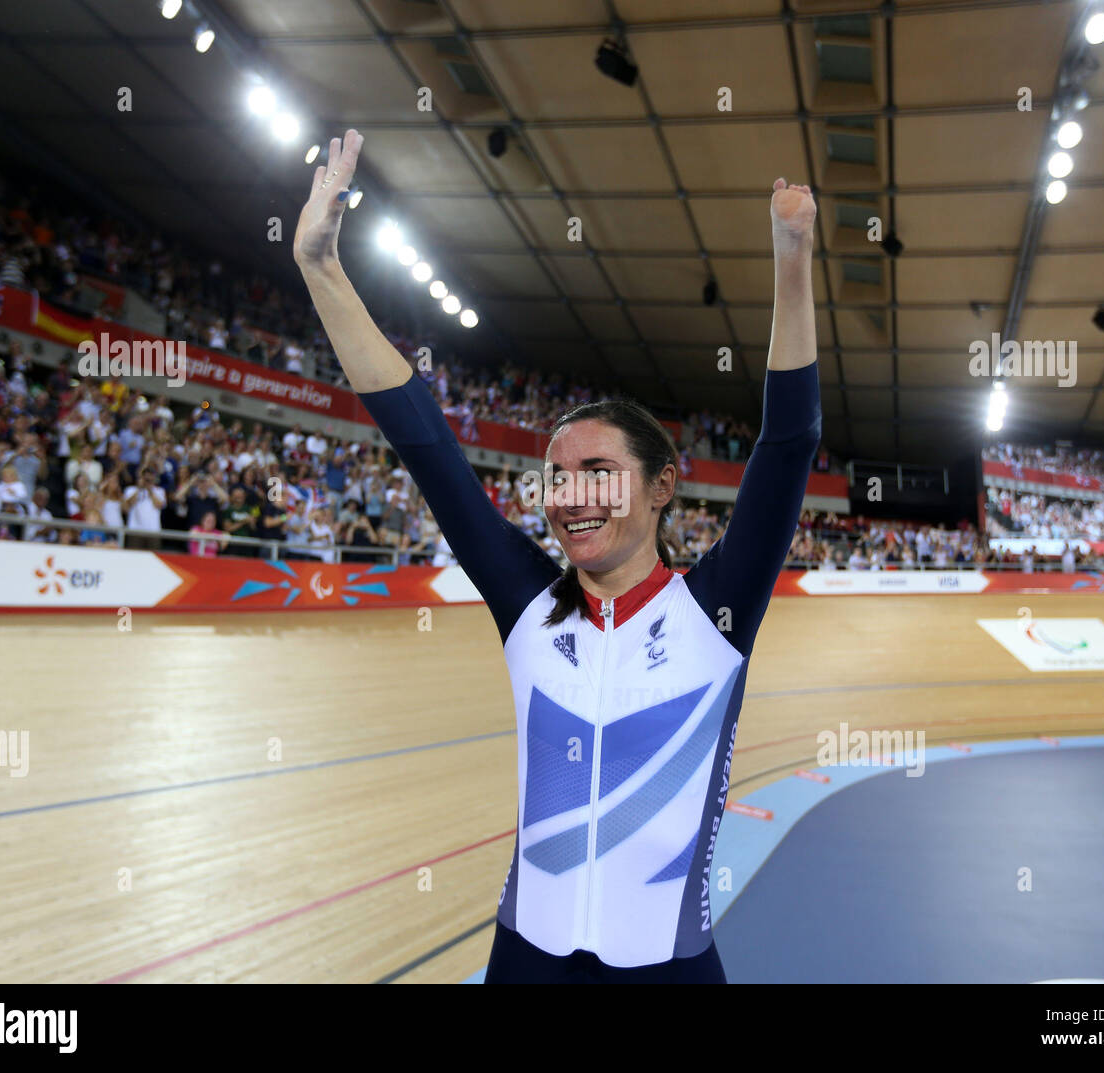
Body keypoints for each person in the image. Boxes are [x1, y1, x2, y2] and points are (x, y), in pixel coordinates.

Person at [294, 131, 820, 984]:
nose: (571, 495)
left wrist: (790, 258)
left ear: (661, 488)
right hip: (523, 962)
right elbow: (425, 441)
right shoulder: (528, 605)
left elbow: (791, 442)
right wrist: (322, 268)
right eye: (558, 477)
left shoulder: (714, 612)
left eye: (600, 473)